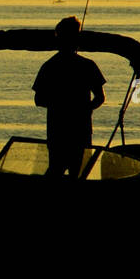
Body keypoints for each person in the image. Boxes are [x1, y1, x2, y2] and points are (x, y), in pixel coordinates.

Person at [32, 16, 105, 178]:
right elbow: (100, 98)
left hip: (60, 129)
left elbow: (39, 99)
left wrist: (60, 106)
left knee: (56, 170)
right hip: (76, 129)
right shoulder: (87, 65)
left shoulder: (50, 66)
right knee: (76, 173)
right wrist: (84, 109)